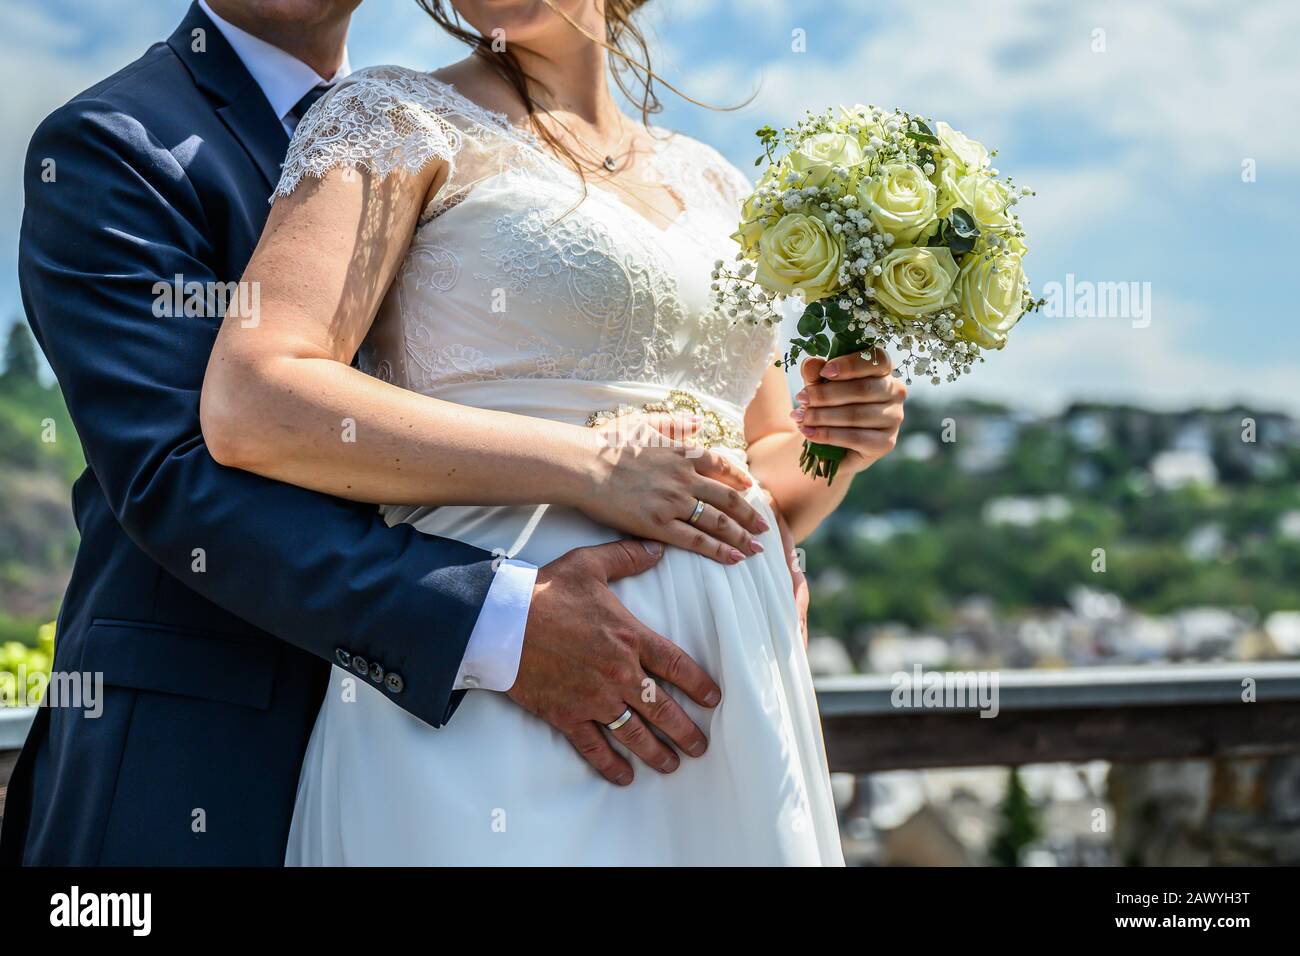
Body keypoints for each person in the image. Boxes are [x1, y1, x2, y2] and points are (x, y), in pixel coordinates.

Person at [0, 0, 742, 866]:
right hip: (207, 750)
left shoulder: (437, 123)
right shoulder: (118, 142)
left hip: (485, 743)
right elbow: (176, 470)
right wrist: (500, 622)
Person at [200, 0, 906, 864]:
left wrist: (839, 442)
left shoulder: (721, 185)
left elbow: (763, 474)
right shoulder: (391, 119)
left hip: (729, 702)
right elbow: (256, 399)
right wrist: (588, 465)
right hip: (498, 695)